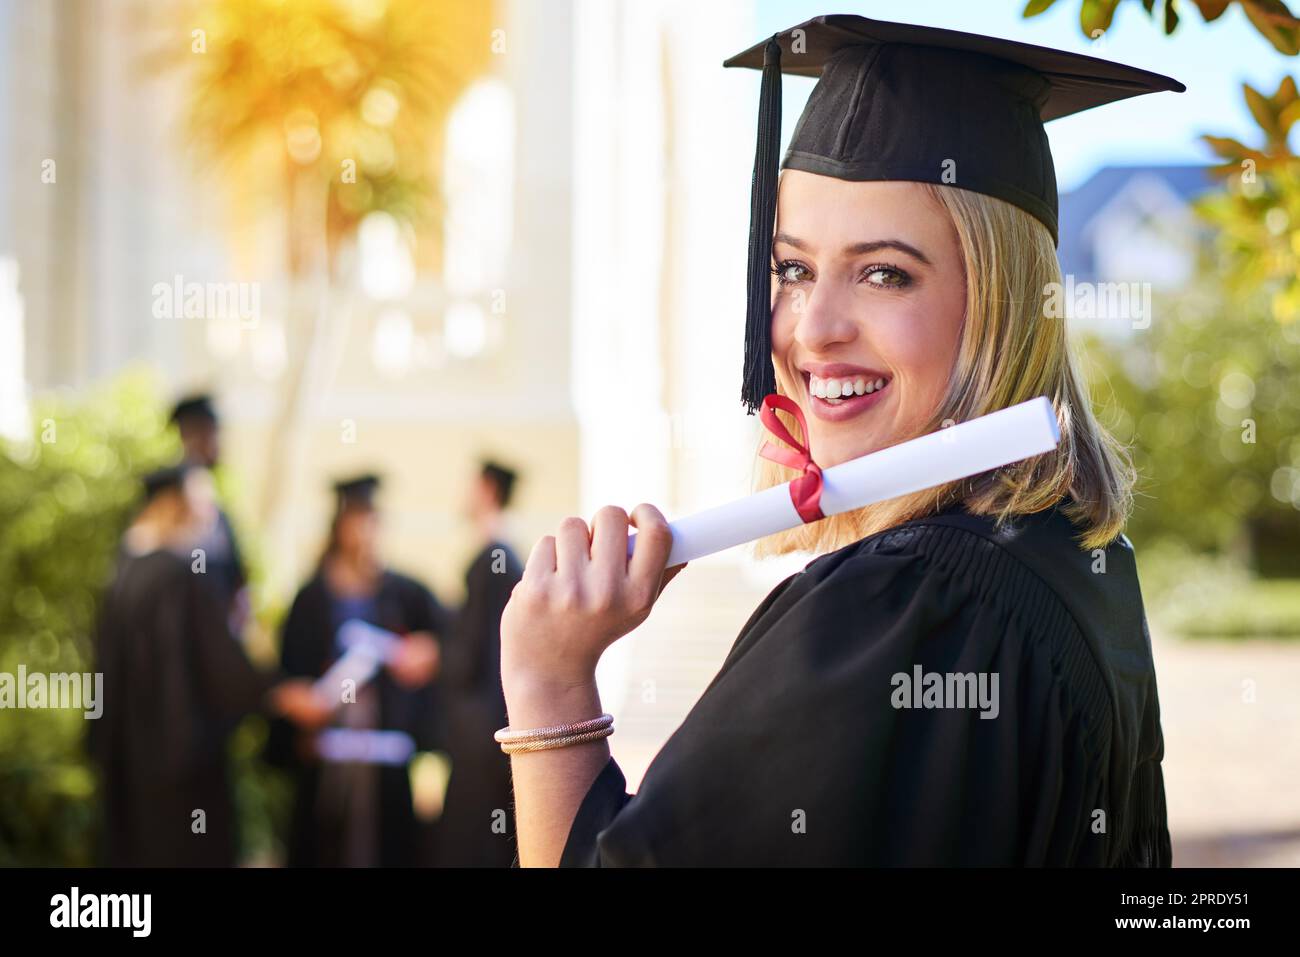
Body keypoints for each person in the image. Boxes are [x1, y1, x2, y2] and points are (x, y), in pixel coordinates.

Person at [498, 15, 1177, 867]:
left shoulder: (912, 605)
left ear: (1001, 302)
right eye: (792, 269)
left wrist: (548, 682)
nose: (813, 329)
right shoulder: (1075, 559)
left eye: (885, 272)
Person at [90, 464, 330, 867]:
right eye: (201, 504)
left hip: (128, 756)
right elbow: (219, 664)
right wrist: (278, 692)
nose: (210, 516)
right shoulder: (175, 578)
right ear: (171, 507)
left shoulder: (124, 569)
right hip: (180, 761)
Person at [268, 474, 449, 867]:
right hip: (325, 754)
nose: (366, 531)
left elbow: (450, 642)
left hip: (386, 756)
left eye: (373, 520)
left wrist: (429, 652)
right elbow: (285, 676)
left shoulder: (405, 592)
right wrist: (296, 702)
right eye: (356, 520)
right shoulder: (311, 599)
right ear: (339, 527)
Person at [438, 460, 525, 867]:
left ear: (488, 489)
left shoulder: (492, 560)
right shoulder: (507, 557)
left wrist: (432, 656)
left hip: (480, 732)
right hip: (497, 723)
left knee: (472, 845)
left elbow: (469, 654)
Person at [170, 394, 248, 633]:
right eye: (207, 433)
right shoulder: (169, 508)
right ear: (187, 437)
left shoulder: (219, 515)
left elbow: (237, 578)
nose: (215, 442)